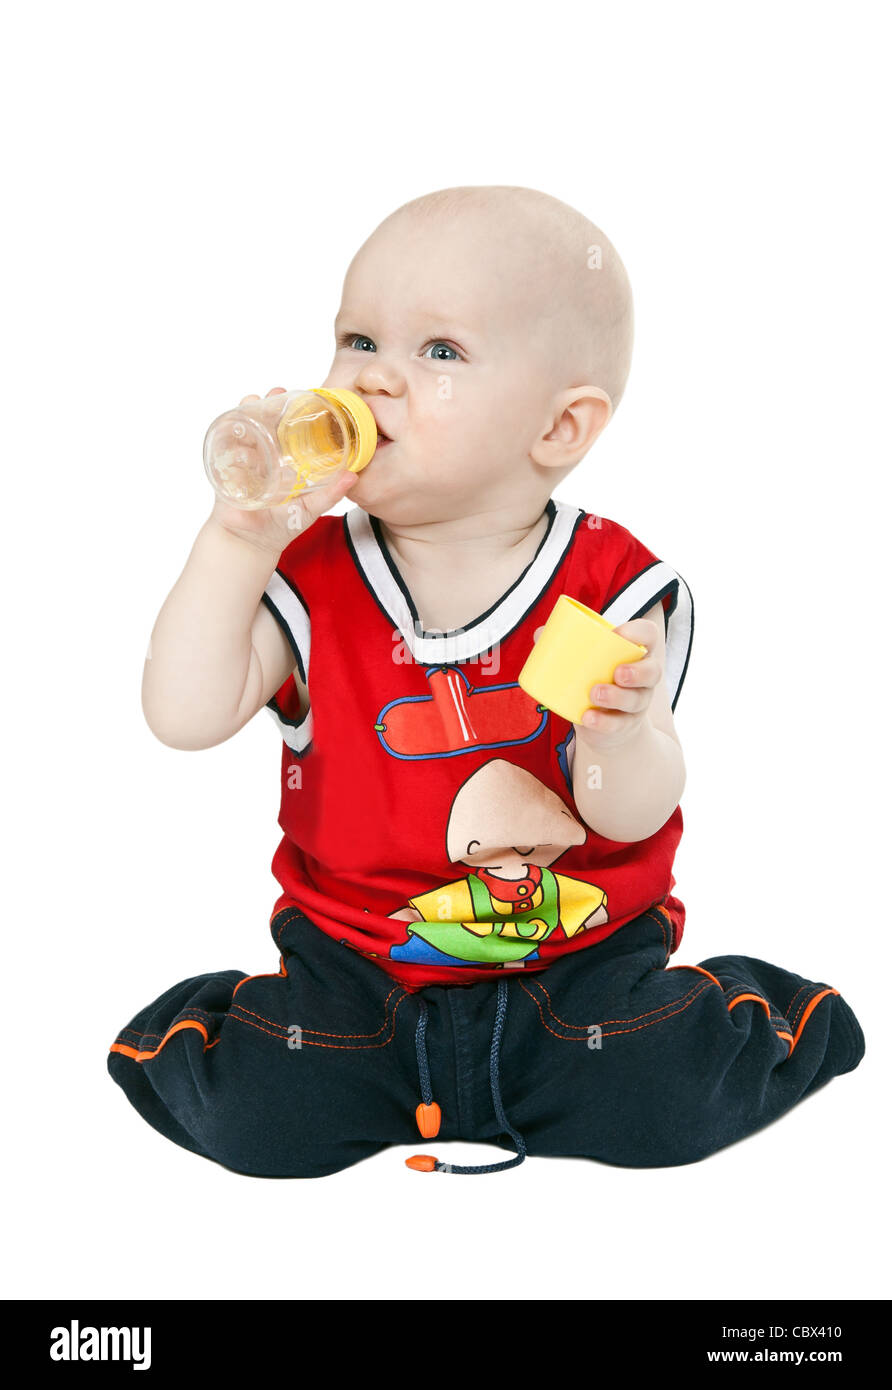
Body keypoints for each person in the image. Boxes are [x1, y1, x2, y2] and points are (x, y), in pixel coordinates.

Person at [108, 185, 864, 1177]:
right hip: (357, 968)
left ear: (558, 429)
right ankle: (240, 1029)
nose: (372, 380)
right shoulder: (309, 574)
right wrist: (237, 538)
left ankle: (751, 1009)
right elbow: (182, 713)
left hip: (575, 966)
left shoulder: (606, 587)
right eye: (358, 339)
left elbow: (629, 815)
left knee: (661, 1103)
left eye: (440, 353)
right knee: (260, 1122)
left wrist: (619, 739)